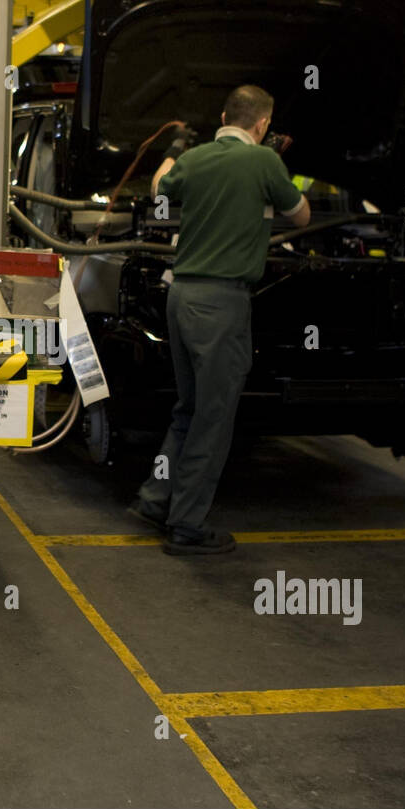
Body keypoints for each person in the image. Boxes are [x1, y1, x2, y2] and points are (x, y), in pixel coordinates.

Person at [128, 85, 310, 556]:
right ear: (262, 124)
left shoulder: (195, 158)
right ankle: (187, 525)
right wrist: (271, 177)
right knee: (213, 418)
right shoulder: (265, 162)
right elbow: (302, 215)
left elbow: (157, 188)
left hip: (181, 296)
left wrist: (175, 149)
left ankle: (154, 497)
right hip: (221, 304)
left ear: (224, 115)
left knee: (188, 410)